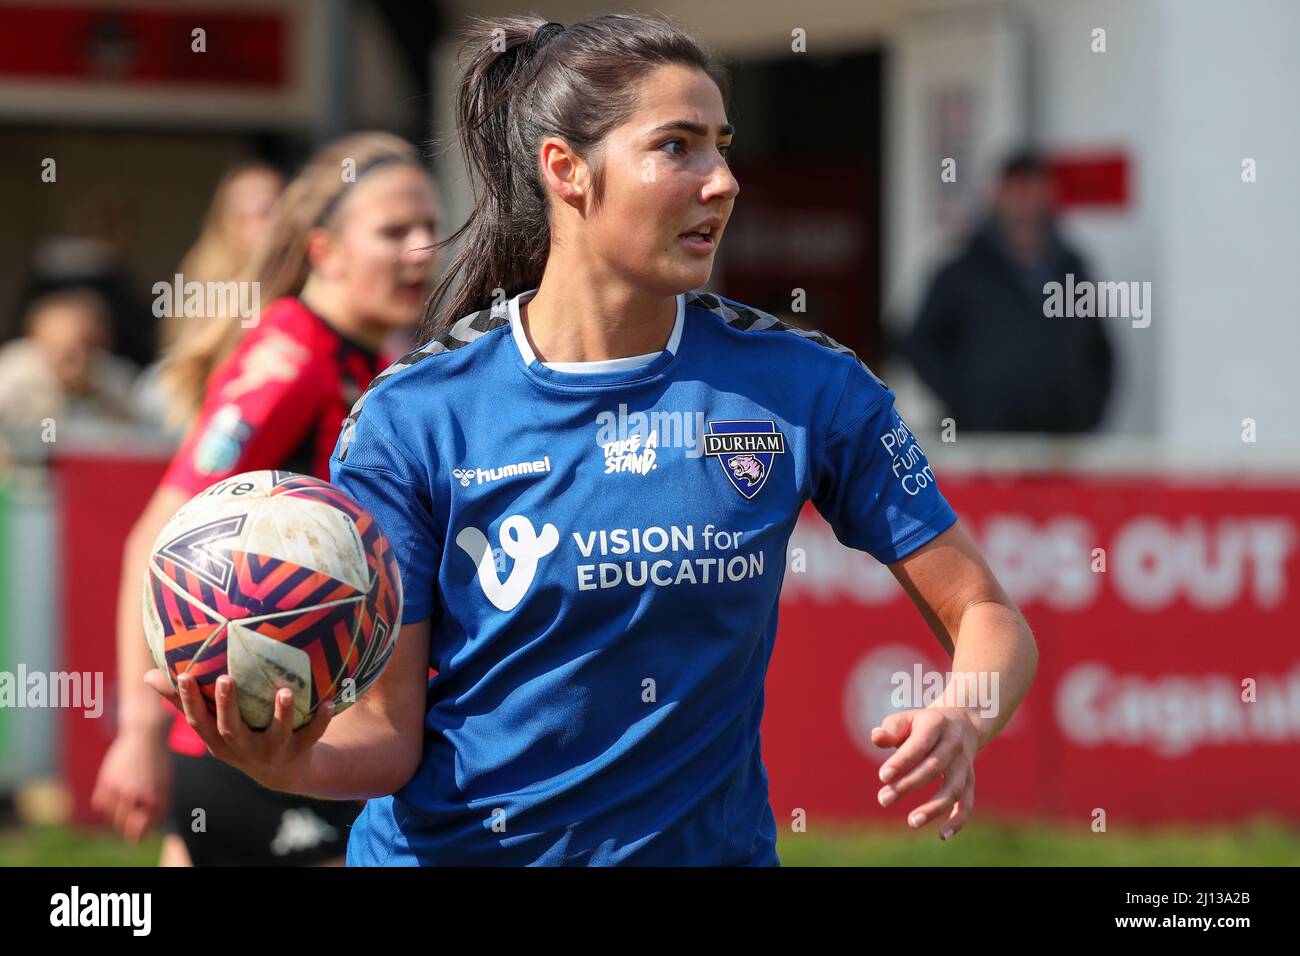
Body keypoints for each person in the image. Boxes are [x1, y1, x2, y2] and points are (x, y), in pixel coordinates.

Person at [147, 14, 1038, 866]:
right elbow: (386, 736)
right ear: (567, 170)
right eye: (676, 145)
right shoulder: (416, 415)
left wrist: (965, 712)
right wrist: (284, 762)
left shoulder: (804, 388)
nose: (721, 180)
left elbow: (992, 620)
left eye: (722, 147)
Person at [93, 131, 441, 866]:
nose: (421, 249)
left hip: (302, 725)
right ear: (324, 250)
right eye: (393, 231)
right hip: (240, 733)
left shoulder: (382, 360)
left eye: (429, 229)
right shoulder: (286, 362)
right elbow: (152, 540)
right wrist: (136, 734)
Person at [900, 151, 1115, 433]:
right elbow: (921, 346)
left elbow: (1101, 353)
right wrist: (967, 402)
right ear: (997, 197)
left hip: (1061, 447)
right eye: (1017, 193)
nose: (1026, 206)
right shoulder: (961, 273)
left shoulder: (1073, 272)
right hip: (983, 444)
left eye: (1034, 193)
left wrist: (1086, 412)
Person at [132, 161, 285, 428]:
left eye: (280, 208)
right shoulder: (206, 277)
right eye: (261, 213)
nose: (272, 225)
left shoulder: (303, 284)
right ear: (228, 222)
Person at [0, 287, 137, 426]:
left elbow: (132, 429)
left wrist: (90, 389)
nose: (77, 358)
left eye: (86, 346)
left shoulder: (116, 378)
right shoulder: (13, 371)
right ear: (35, 341)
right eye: (57, 347)